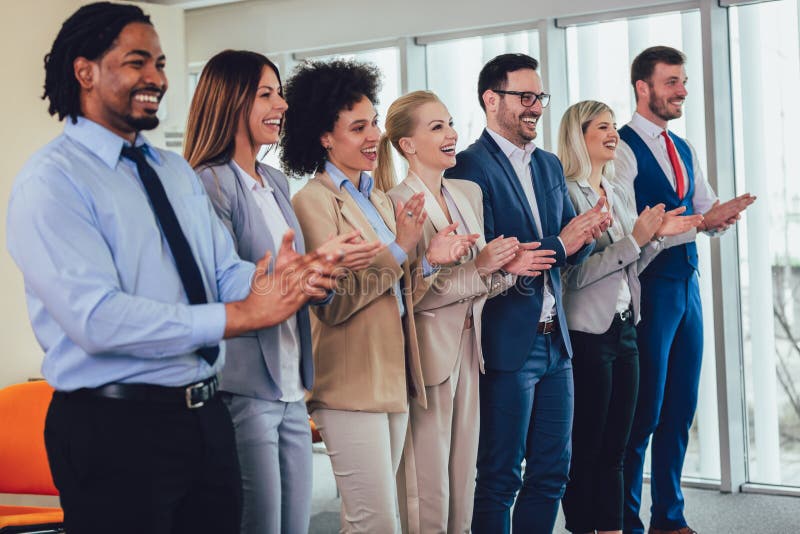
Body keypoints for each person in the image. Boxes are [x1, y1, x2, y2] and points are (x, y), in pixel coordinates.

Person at [5, 4, 342, 533]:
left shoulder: (170, 170)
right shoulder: (52, 181)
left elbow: (219, 271)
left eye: (160, 64)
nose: (156, 78)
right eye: (138, 62)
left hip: (202, 419)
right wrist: (233, 317)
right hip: (113, 425)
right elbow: (96, 319)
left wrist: (278, 283)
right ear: (84, 71)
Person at [183, 50, 382, 534]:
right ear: (230, 102)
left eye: (280, 93)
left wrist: (320, 276)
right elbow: (214, 286)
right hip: (244, 387)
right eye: (266, 94)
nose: (282, 105)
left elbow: (298, 281)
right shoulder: (208, 183)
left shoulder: (273, 181)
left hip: (293, 385)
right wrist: (285, 278)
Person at [282, 60, 475, 533]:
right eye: (358, 127)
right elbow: (335, 302)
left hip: (392, 376)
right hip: (348, 383)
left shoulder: (380, 198)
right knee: (377, 523)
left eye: (373, 122)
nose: (374, 135)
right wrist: (402, 248)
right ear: (325, 137)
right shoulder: (313, 201)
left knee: (365, 522)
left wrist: (430, 257)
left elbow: (400, 291)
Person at [444, 53, 611, 534]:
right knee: (498, 477)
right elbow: (495, 256)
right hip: (506, 344)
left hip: (556, 340)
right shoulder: (467, 168)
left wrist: (588, 234)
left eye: (540, 97)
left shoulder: (550, 165)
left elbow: (564, 256)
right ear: (490, 100)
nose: (535, 106)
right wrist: (565, 240)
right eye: (524, 96)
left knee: (552, 472)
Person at [379, 90, 556, 533]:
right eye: (436, 127)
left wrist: (509, 270)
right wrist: (479, 266)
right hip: (426, 360)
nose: (452, 134)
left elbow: (480, 284)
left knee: (464, 486)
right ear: (406, 145)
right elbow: (409, 296)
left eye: (451, 124)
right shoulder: (393, 203)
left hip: (471, 353)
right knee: (428, 493)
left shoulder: (467, 193)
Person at [615, 46, 755, 534]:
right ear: (643, 87)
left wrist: (719, 218)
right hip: (648, 288)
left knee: (680, 407)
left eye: (683, 81)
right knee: (642, 412)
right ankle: (625, 520)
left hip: (686, 286)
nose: (682, 92)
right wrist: (699, 221)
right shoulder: (622, 147)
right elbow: (632, 227)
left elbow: (701, 208)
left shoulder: (684, 148)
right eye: (672, 82)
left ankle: (669, 517)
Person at [556, 100, 703, 534]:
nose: (611, 132)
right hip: (588, 334)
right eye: (600, 126)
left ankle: (614, 528)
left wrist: (654, 239)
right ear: (578, 136)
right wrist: (635, 240)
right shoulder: (566, 193)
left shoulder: (617, 192)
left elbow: (630, 262)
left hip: (625, 329)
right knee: (587, 450)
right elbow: (573, 276)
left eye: (611, 125)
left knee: (617, 450)